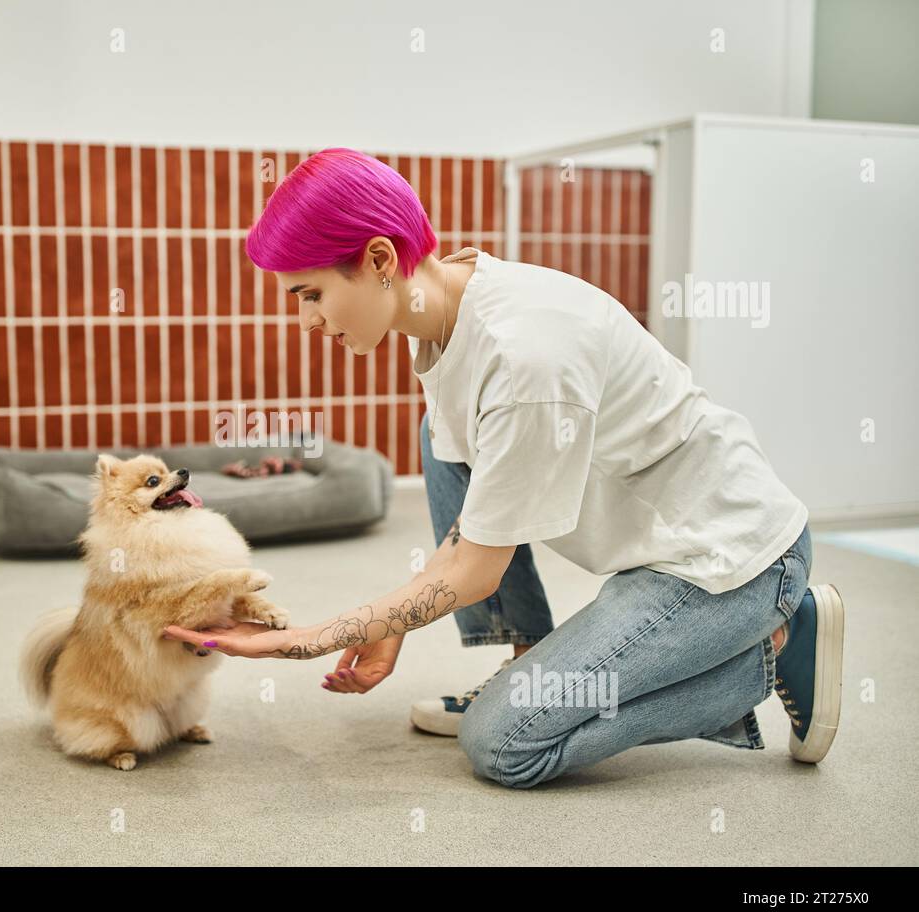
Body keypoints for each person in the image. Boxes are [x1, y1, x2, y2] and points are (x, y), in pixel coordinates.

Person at [162, 147, 845, 789]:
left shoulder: (524, 359)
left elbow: (473, 569)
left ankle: (775, 646)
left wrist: (307, 639)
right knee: (442, 434)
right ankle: (526, 659)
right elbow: (476, 523)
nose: (307, 321)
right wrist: (393, 623)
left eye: (309, 294)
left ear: (378, 259)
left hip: (728, 562)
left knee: (505, 742)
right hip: (656, 552)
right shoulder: (447, 314)